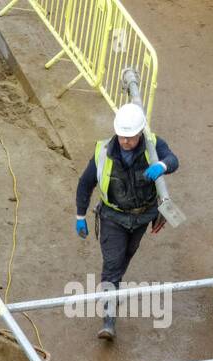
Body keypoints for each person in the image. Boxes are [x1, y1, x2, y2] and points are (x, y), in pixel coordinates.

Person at [75, 102, 179, 341]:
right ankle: (109, 320)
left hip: (141, 217)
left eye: (130, 137)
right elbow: (85, 183)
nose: (125, 142)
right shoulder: (103, 151)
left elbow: (173, 159)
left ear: (140, 133)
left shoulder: (153, 145)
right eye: (122, 136)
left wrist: (161, 165)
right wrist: (80, 216)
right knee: (112, 265)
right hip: (113, 217)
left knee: (123, 260)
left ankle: (114, 287)